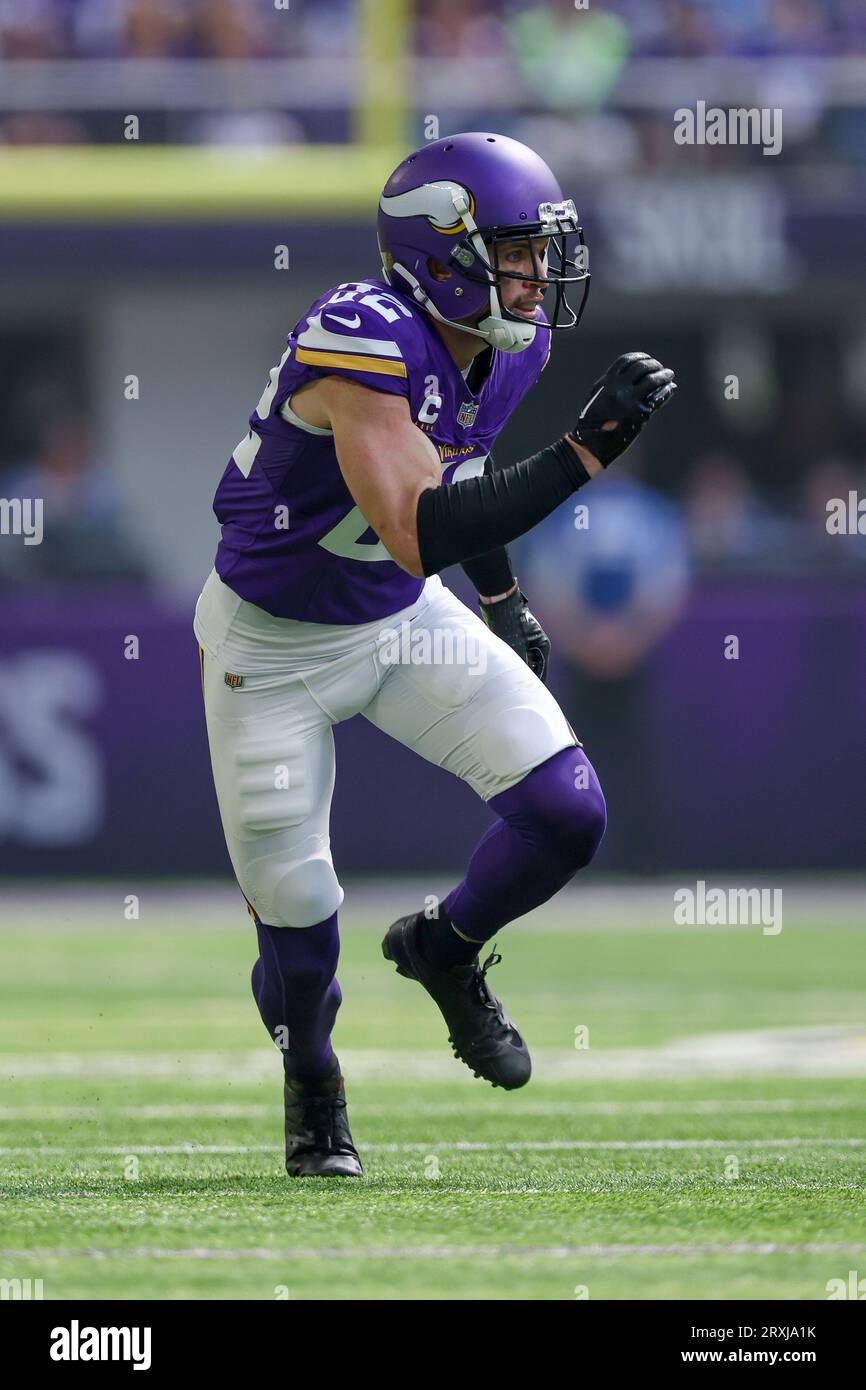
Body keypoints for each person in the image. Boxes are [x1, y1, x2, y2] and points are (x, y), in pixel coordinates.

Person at [193, 131, 676, 1177]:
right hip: (270, 644)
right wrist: (584, 453)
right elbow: (417, 520)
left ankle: (442, 950)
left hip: (397, 611)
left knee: (565, 811)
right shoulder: (358, 333)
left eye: (541, 253)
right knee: (300, 932)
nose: (536, 275)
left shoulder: (506, 344)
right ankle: (313, 1082)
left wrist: (500, 599)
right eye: (514, 250)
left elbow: (460, 466)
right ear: (441, 250)